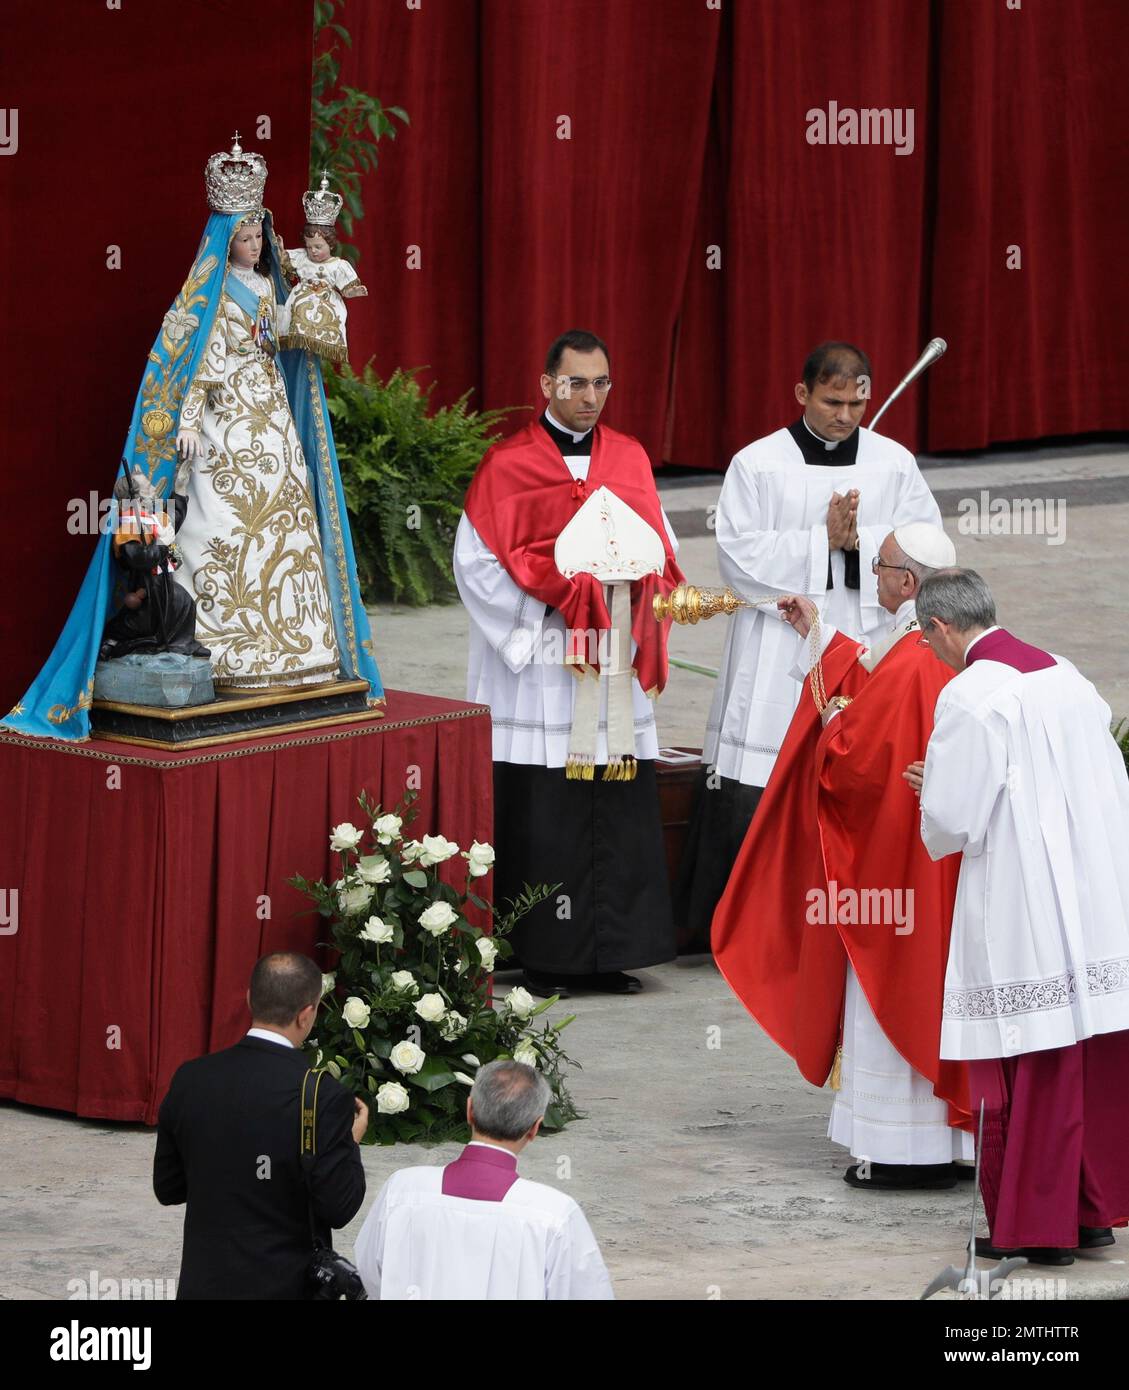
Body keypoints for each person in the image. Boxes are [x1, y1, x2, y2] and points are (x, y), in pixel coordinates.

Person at [2, 136, 382, 740]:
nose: (255, 247)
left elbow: (279, 336)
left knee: (287, 511)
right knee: (223, 518)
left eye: (260, 237)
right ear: (224, 239)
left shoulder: (263, 285)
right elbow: (194, 361)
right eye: (244, 238)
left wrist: (314, 298)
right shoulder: (205, 295)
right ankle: (227, 651)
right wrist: (184, 423)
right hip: (224, 420)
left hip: (270, 413)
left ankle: (297, 653)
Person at [714, 523, 972, 1187]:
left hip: (891, 865)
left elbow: (857, 762)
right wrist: (819, 636)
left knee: (888, 987)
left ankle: (900, 1151)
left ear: (907, 583)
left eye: (881, 567)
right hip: (931, 863)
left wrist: (832, 729)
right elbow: (875, 677)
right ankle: (948, 1142)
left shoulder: (917, 656)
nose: (875, 576)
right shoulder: (935, 642)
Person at [675, 342, 942, 950]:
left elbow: (928, 546)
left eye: (856, 402)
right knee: (766, 767)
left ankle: (856, 924)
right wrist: (820, 542)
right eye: (831, 401)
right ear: (802, 395)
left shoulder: (893, 464)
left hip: (863, 635)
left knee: (859, 765)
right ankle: (750, 928)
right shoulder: (757, 463)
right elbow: (737, 558)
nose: (845, 415)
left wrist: (859, 544)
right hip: (776, 643)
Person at [454, 329, 684, 998]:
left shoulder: (630, 460)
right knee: (543, 805)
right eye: (576, 382)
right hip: (540, 671)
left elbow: (662, 553)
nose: (590, 395)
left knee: (609, 801)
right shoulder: (507, 465)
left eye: (601, 383)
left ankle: (608, 951)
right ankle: (543, 952)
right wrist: (549, 608)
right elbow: (474, 564)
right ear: (547, 386)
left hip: (608, 658)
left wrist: (633, 590)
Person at [909, 569, 1129, 1264]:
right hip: (1089, 896)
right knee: (1078, 1056)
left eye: (926, 638)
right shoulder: (1064, 675)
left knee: (1026, 1062)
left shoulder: (970, 694)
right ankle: (1087, 1215)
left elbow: (953, 819)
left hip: (1020, 902)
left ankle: (1039, 1228)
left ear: (941, 627)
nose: (931, 650)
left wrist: (931, 788)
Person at [153, 952, 368, 1299]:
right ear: (307, 1014)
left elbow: (169, 1188)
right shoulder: (322, 1095)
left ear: (250, 998)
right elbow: (339, 1207)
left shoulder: (190, 1078)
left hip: (203, 1288)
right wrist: (350, 1144)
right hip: (285, 1289)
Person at [354, 1060, 614, 1300]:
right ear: (535, 1128)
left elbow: (371, 1273)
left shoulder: (402, 1190)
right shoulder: (554, 1215)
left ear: (469, 1110)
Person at [277, 173, 367, 364]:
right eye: (309, 247)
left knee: (330, 313)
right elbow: (285, 262)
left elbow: (346, 287)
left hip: (326, 301)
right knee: (298, 309)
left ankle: (319, 339)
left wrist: (352, 291)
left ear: (331, 245)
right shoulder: (302, 257)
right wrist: (280, 252)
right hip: (302, 299)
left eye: (318, 247)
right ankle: (298, 335)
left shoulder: (338, 265)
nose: (313, 252)